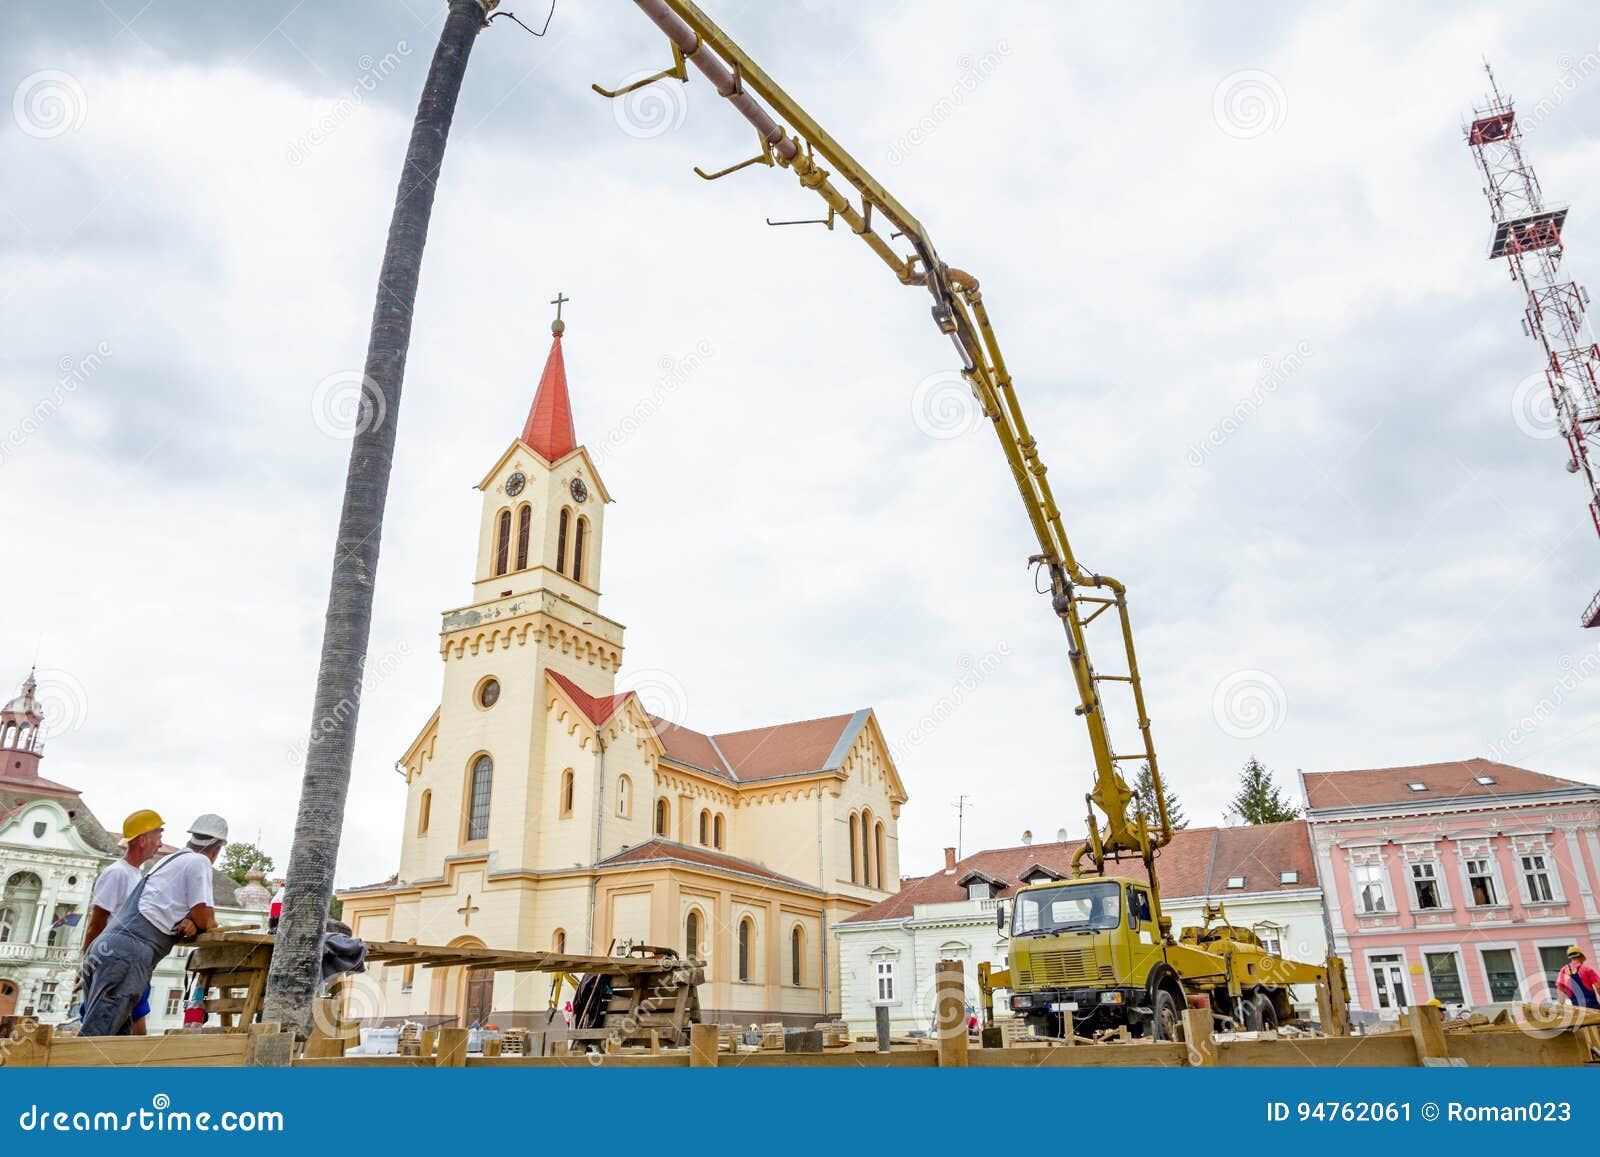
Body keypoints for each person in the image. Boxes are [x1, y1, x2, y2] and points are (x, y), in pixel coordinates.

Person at [79, 814, 229, 1036]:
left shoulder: (169, 861)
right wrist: (205, 923)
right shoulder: (199, 861)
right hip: (128, 955)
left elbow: (175, 908)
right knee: (96, 1038)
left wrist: (190, 920)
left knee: (115, 1041)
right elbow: (204, 916)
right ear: (217, 849)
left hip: (108, 950)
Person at [79, 809, 165, 1034]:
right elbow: (97, 921)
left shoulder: (136, 875)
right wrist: (88, 964)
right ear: (142, 839)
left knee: (129, 1025)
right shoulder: (117, 873)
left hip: (130, 961)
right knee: (107, 1026)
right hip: (113, 961)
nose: (160, 844)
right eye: (158, 836)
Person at [1556, 945, 1600, 1010]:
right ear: (1581, 957)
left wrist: (1561, 1005)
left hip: (1577, 1006)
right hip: (1591, 1004)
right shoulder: (1587, 969)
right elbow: (1598, 986)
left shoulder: (1563, 971)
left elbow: (1560, 989)